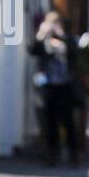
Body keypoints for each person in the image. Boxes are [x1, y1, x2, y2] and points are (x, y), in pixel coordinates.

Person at [28, 10, 81, 166]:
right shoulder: (44, 40)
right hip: (48, 85)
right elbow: (32, 50)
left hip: (65, 86)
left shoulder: (67, 39)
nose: (53, 26)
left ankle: (73, 155)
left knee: (68, 121)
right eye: (51, 23)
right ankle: (51, 154)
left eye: (55, 23)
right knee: (49, 122)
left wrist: (62, 35)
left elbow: (74, 53)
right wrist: (42, 33)